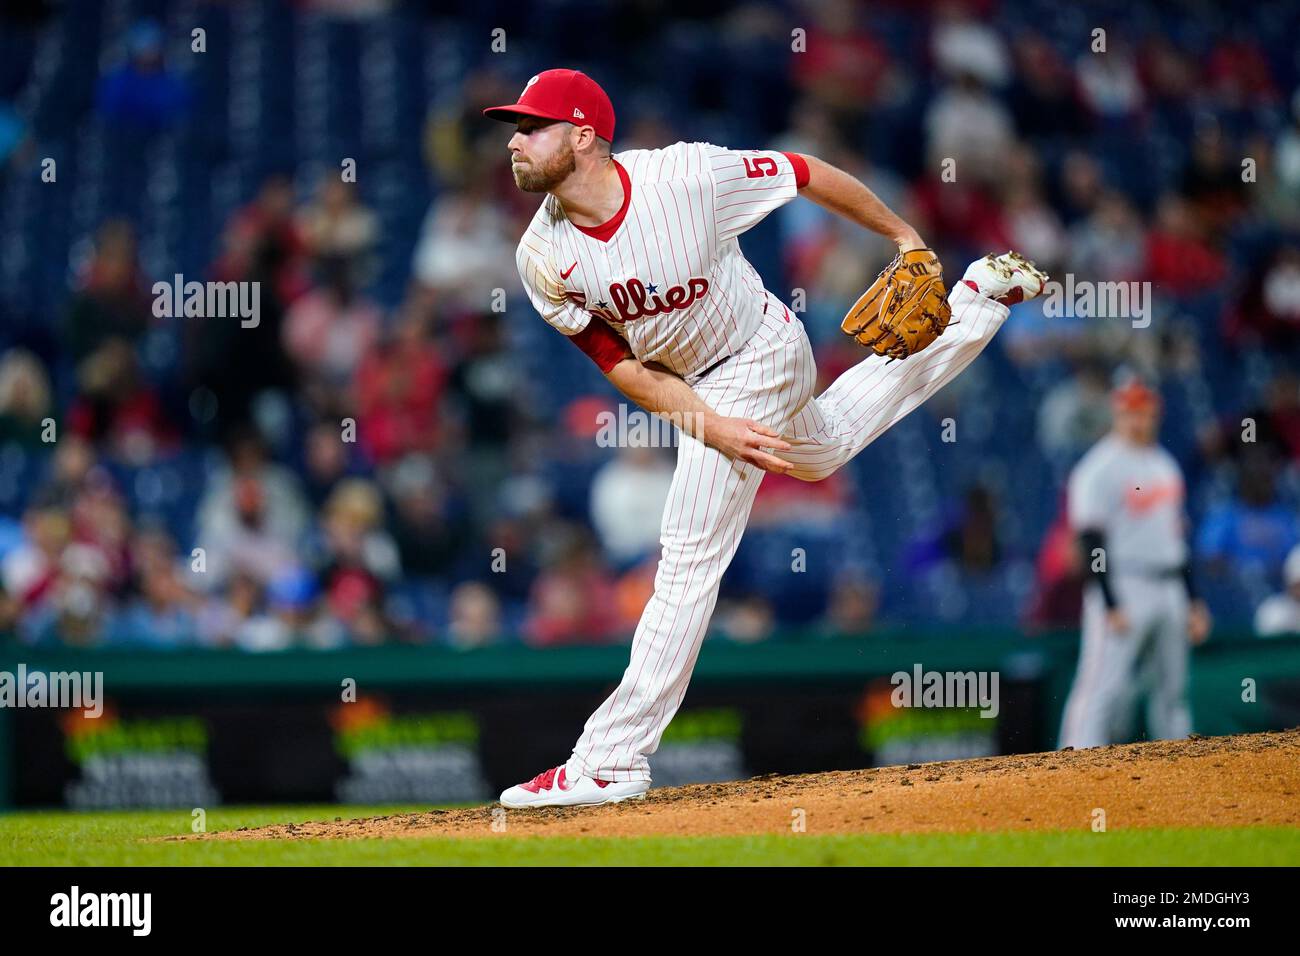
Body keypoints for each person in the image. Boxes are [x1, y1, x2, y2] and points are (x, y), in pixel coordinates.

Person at [484, 69, 1047, 808]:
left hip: (756, 348)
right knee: (825, 446)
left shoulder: (684, 176)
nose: (516, 141)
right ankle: (976, 302)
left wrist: (905, 238)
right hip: (697, 386)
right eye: (515, 128)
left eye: (532, 126)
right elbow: (617, 362)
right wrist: (708, 424)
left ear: (583, 135)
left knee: (687, 557)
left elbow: (805, 172)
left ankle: (610, 760)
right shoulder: (539, 256)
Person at [1058, 378, 1212, 750]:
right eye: (1129, 412)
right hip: (1125, 581)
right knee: (1100, 687)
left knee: (1172, 690)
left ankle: (1177, 770)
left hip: (1169, 583)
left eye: (1143, 412)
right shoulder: (1098, 467)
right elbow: (1090, 541)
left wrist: (1192, 600)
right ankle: (1069, 766)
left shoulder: (1164, 464)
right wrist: (1109, 601)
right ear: (1117, 413)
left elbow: (1177, 538)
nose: (1136, 420)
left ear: (1154, 414)